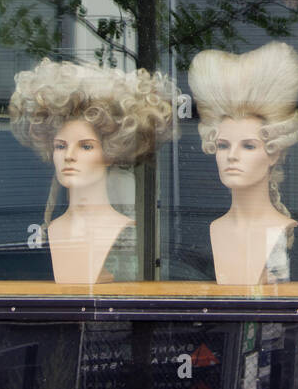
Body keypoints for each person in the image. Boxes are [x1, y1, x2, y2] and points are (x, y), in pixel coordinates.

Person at [9, 59, 175, 284]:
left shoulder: (121, 231)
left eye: (85, 146)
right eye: (60, 146)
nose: (69, 155)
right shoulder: (53, 229)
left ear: (110, 152)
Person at [188, 42, 298, 285]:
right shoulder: (212, 230)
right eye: (223, 145)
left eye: (248, 146)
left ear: (274, 153)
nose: (232, 155)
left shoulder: (280, 230)